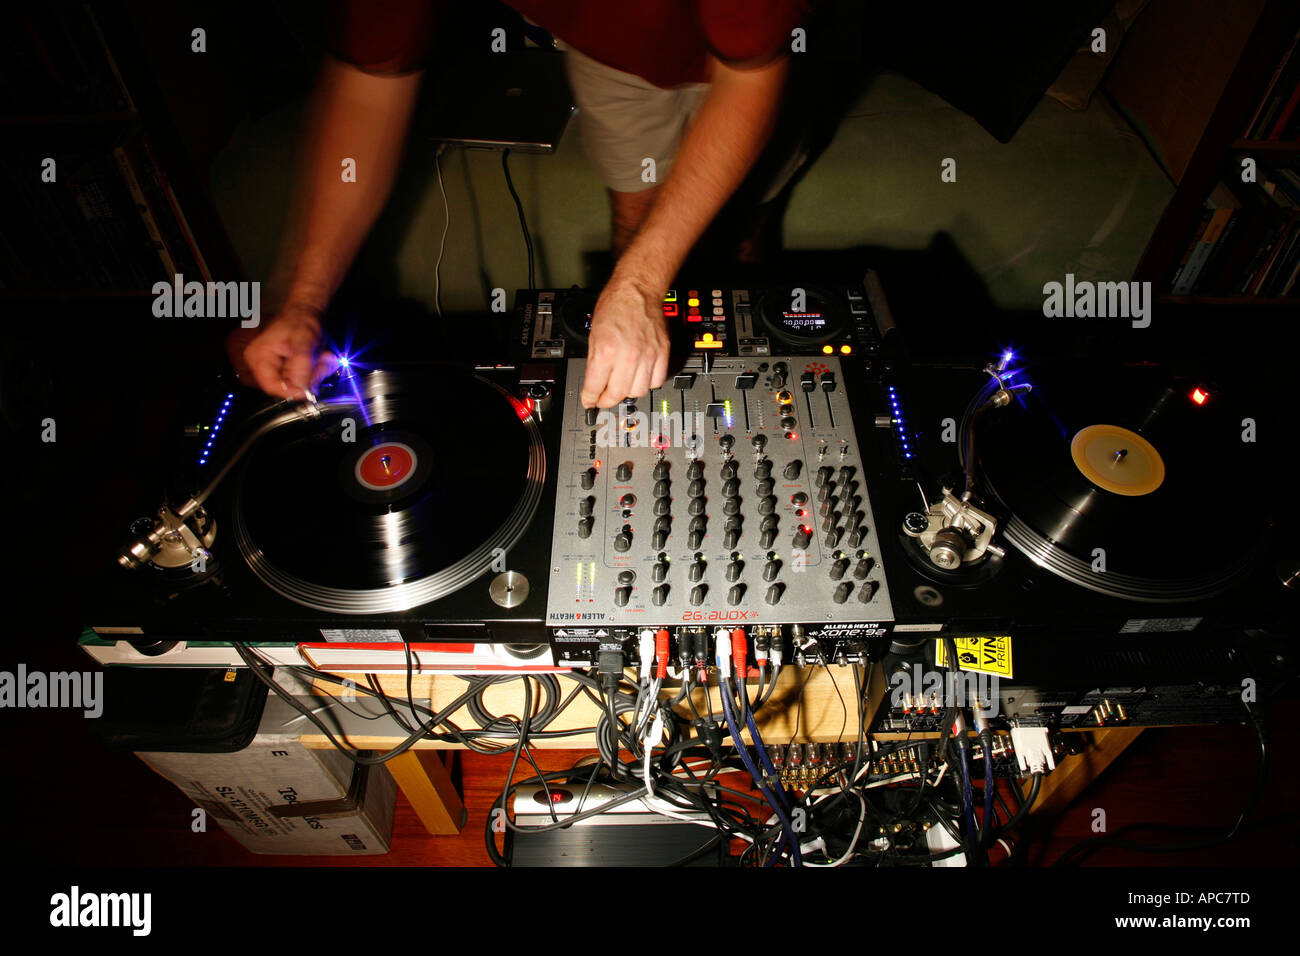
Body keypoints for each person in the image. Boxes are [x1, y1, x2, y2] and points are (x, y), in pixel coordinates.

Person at [237, 0, 807, 409]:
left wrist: (641, 288)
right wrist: (303, 299)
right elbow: (369, 76)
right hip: (615, 58)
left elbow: (750, 76)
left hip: (761, 60)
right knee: (633, 232)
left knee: (739, 232)